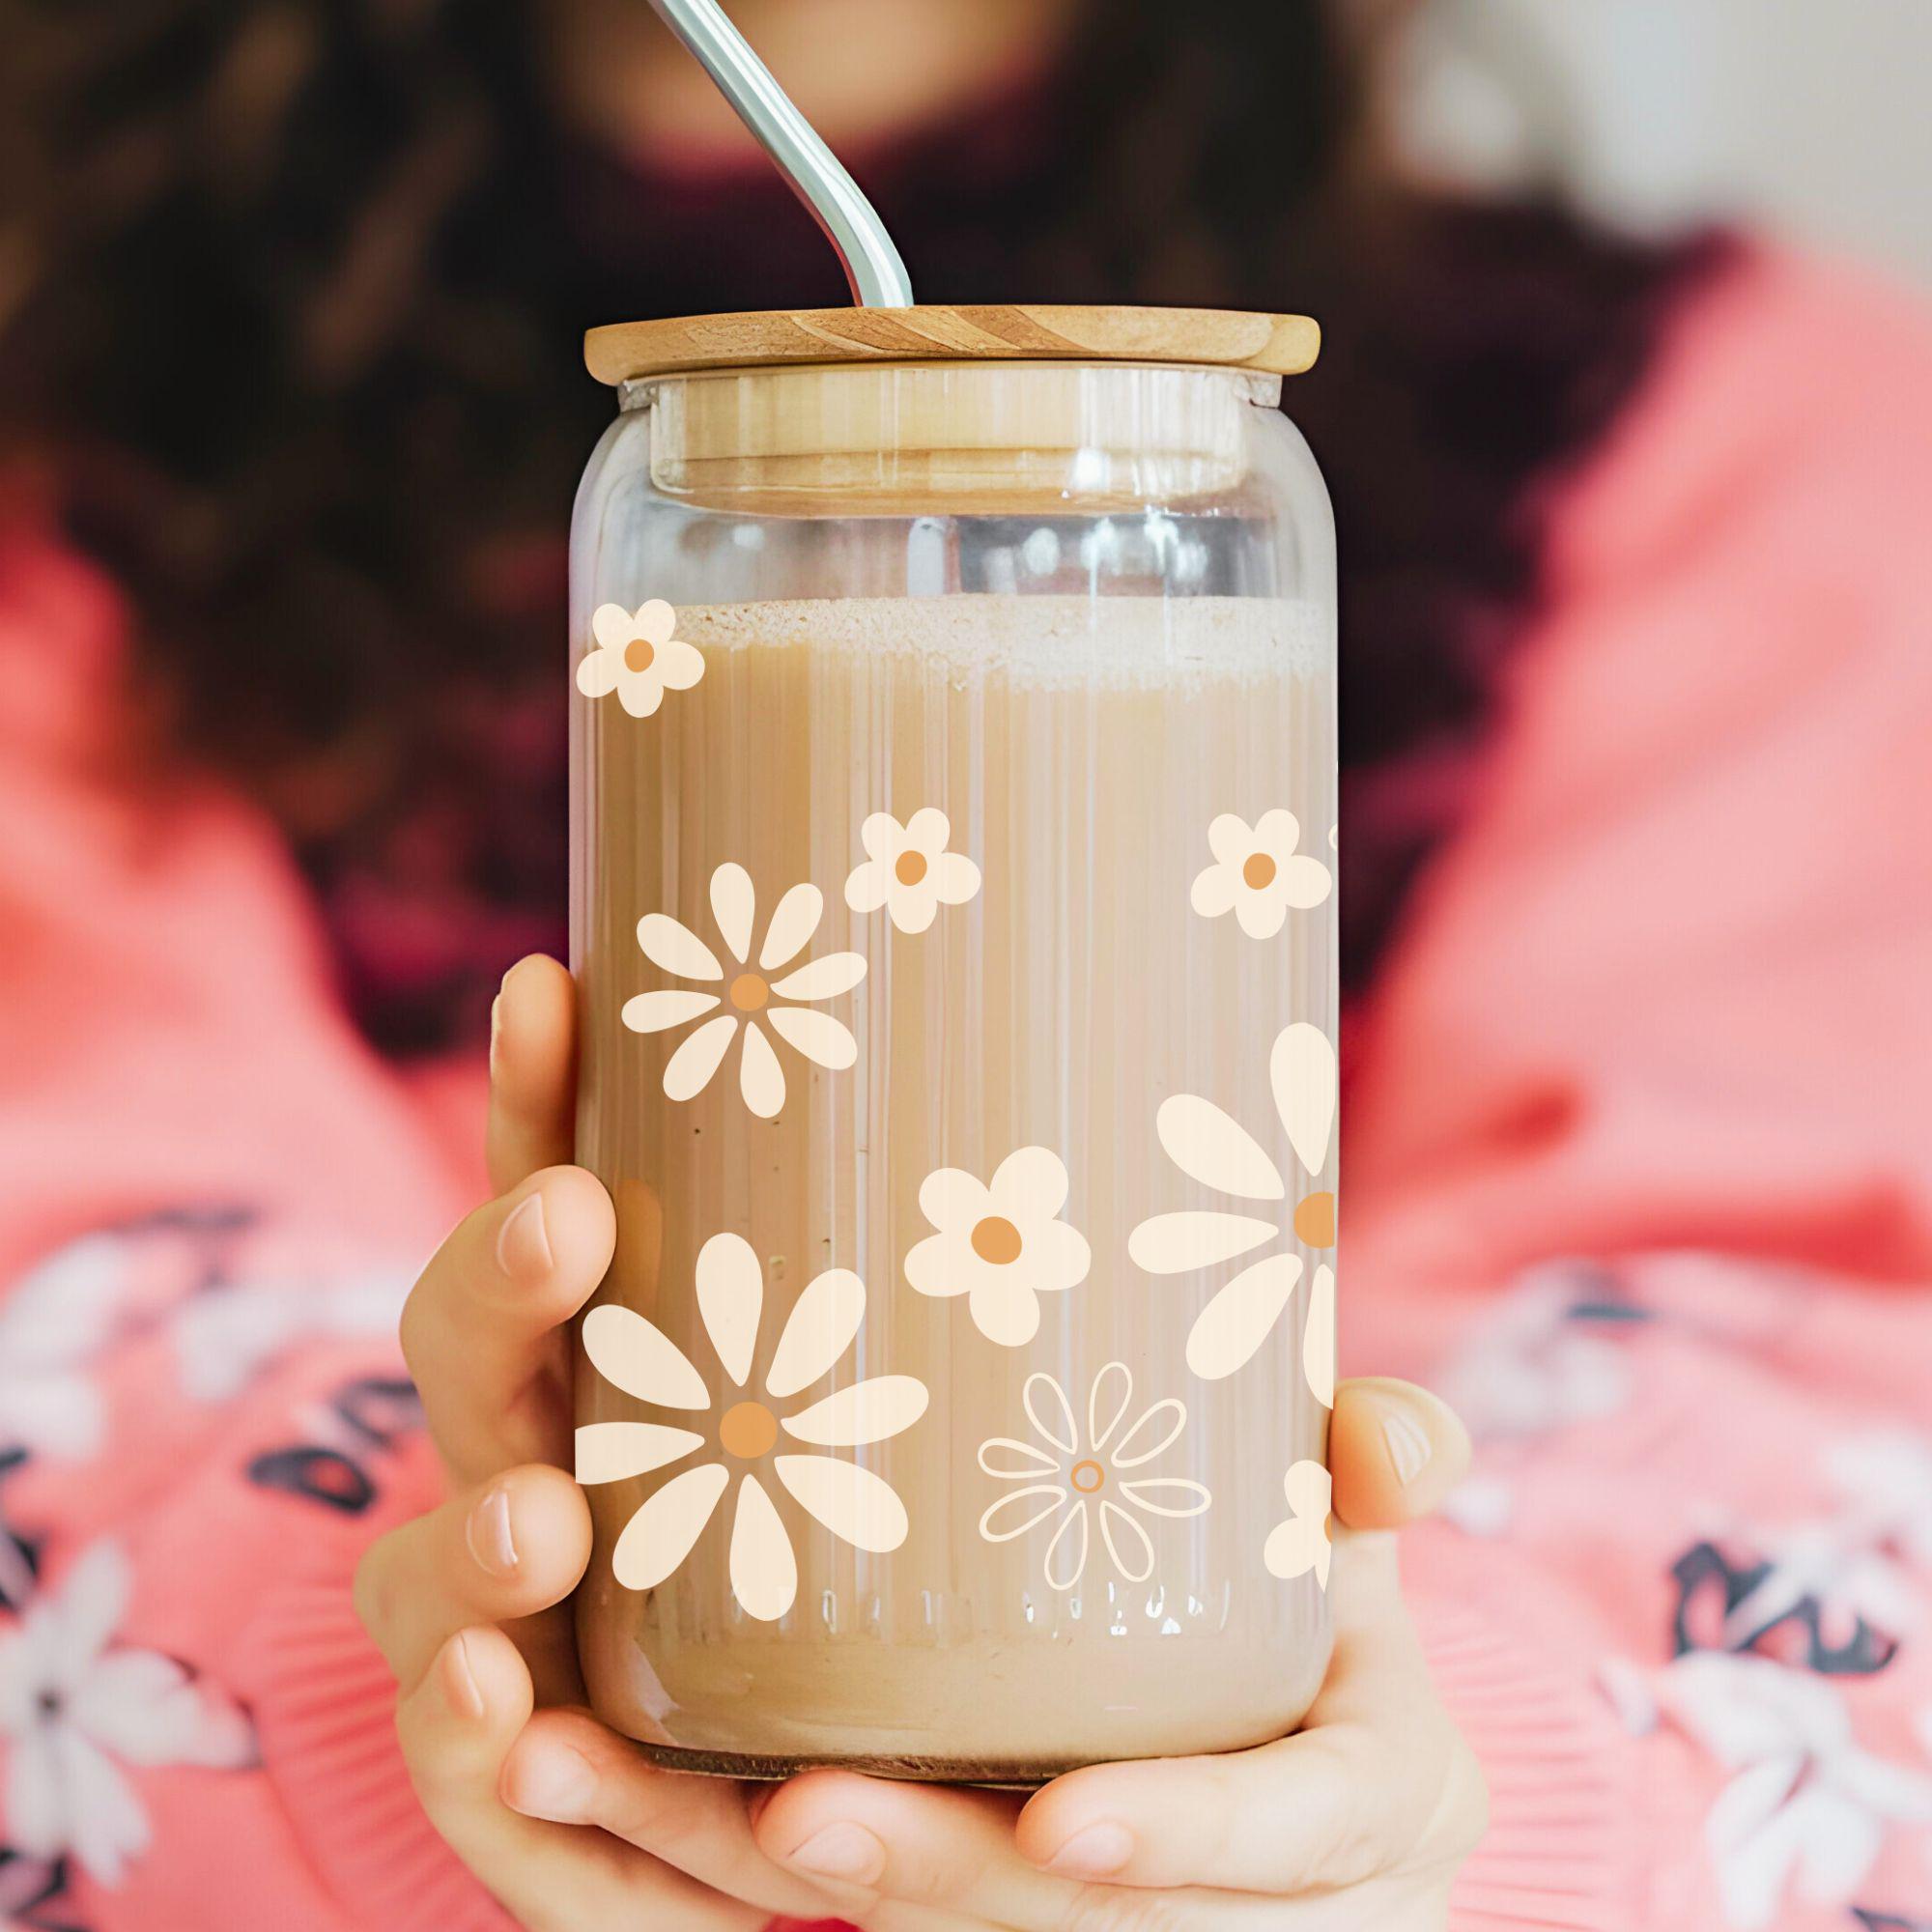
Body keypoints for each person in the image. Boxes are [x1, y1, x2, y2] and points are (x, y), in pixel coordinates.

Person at [6, 2, 1932, 1929]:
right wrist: (394, 1667)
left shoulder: (1761, 451)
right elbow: (57, 1271)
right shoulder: (56, 445)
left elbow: (1817, 1347)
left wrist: (1438, 1797)